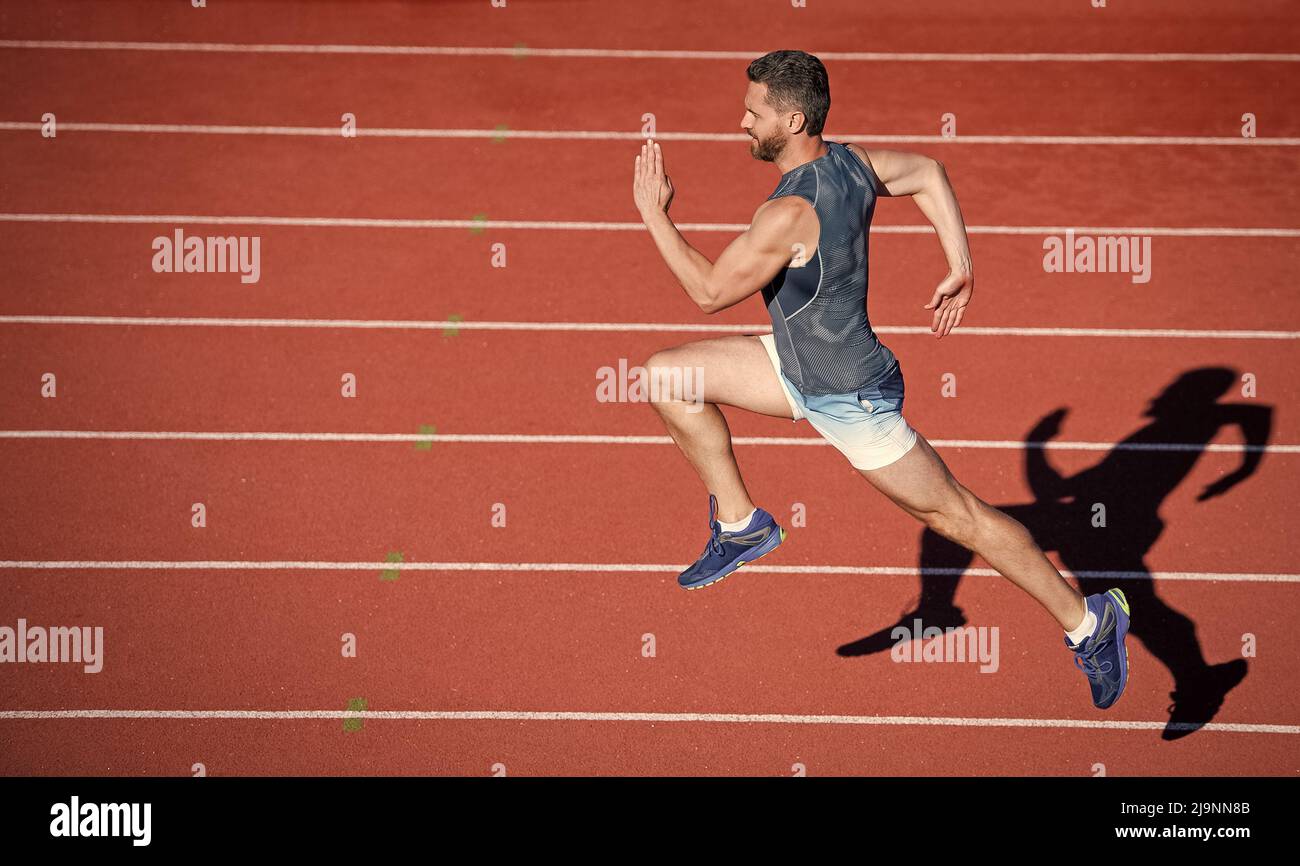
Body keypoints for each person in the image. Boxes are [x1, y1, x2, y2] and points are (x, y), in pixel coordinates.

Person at [631, 49, 1131, 709]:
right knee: (667, 379)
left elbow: (707, 291)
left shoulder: (786, 217)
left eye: (753, 112)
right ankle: (742, 524)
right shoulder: (853, 163)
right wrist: (962, 265)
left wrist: (653, 214)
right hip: (795, 362)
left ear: (794, 116)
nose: (741, 122)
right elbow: (927, 171)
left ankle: (1091, 622)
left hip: (850, 396)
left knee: (958, 516)